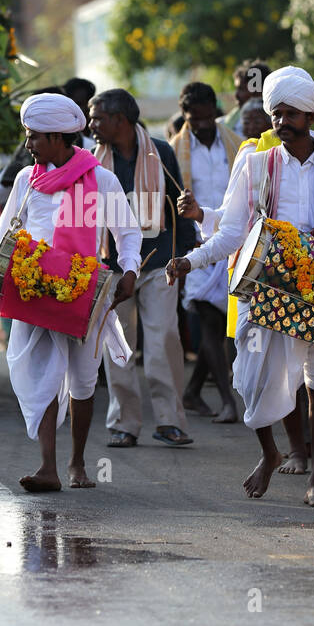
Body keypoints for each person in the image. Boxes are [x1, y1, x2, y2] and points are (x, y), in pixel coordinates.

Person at [166, 66, 314, 507]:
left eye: (291, 114)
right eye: (277, 114)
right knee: (253, 381)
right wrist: (189, 261)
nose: (282, 122)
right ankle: (272, 452)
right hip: (267, 285)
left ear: (309, 115)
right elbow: (232, 233)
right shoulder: (255, 164)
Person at [0, 93, 140, 491]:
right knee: (43, 379)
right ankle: (48, 467)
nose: (28, 146)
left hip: (84, 294)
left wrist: (130, 271)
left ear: (57, 137)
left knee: (85, 383)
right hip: (32, 295)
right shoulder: (25, 181)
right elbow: (4, 236)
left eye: (34, 137)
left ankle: (77, 464)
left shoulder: (101, 178)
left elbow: (128, 231)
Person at [90, 88, 196, 447]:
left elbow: (176, 203)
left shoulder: (160, 151)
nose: (92, 124)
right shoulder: (93, 159)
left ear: (120, 120)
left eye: (98, 117)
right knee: (117, 344)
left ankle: (170, 420)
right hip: (112, 265)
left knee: (163, 338)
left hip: (158, 262)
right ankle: (124, 422)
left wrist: (185, 253)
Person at [172, 82, 243, 423]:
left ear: (215, 112)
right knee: (208, 318)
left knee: (221, 321)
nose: (199, 125)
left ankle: (193, 390)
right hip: (196, 247)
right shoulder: (175, 151)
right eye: (192, 119)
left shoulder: (234, 144)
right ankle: (228, 400)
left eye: (205, 117)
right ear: (185, 116)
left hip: (230, 241)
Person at [219, 59, 271, 135]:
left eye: (242, 89)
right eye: (236, 89)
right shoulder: (221, 126)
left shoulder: (278, 124)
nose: (236, 95)